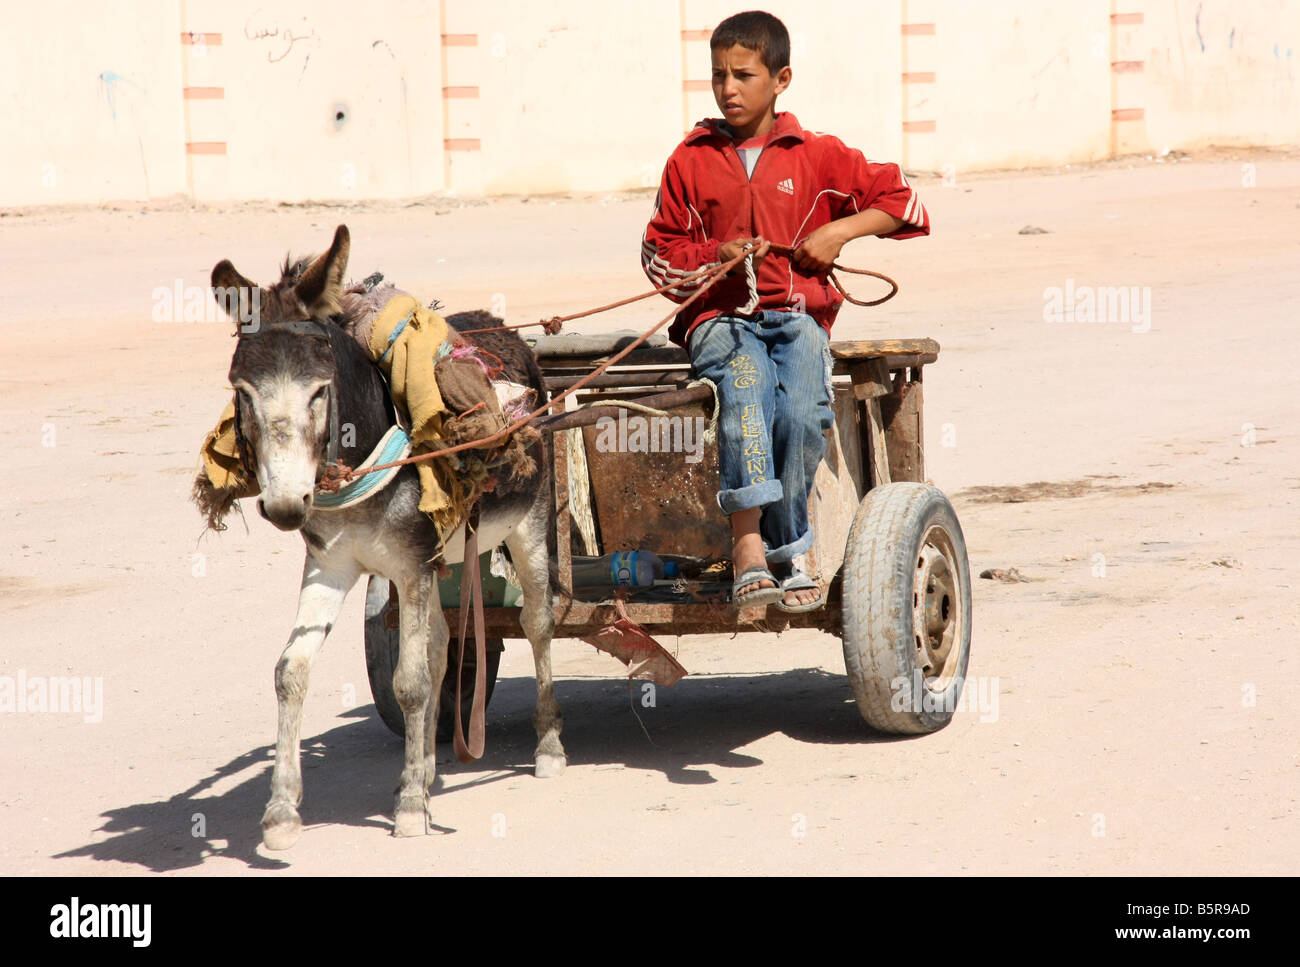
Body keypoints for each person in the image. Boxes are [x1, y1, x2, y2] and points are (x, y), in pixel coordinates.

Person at [641, 9, 930, 612]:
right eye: (718, 75)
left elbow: (907, 204)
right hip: (719, 321)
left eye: (743, 75)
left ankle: (785, 546)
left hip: (800, 319)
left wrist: (838, 233)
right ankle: (748, 548)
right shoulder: (690, 158)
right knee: (747, 395)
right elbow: (658, 255)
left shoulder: (817, 154)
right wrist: (712, 256)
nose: (727, 89)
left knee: (801, 413)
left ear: (781, 79)